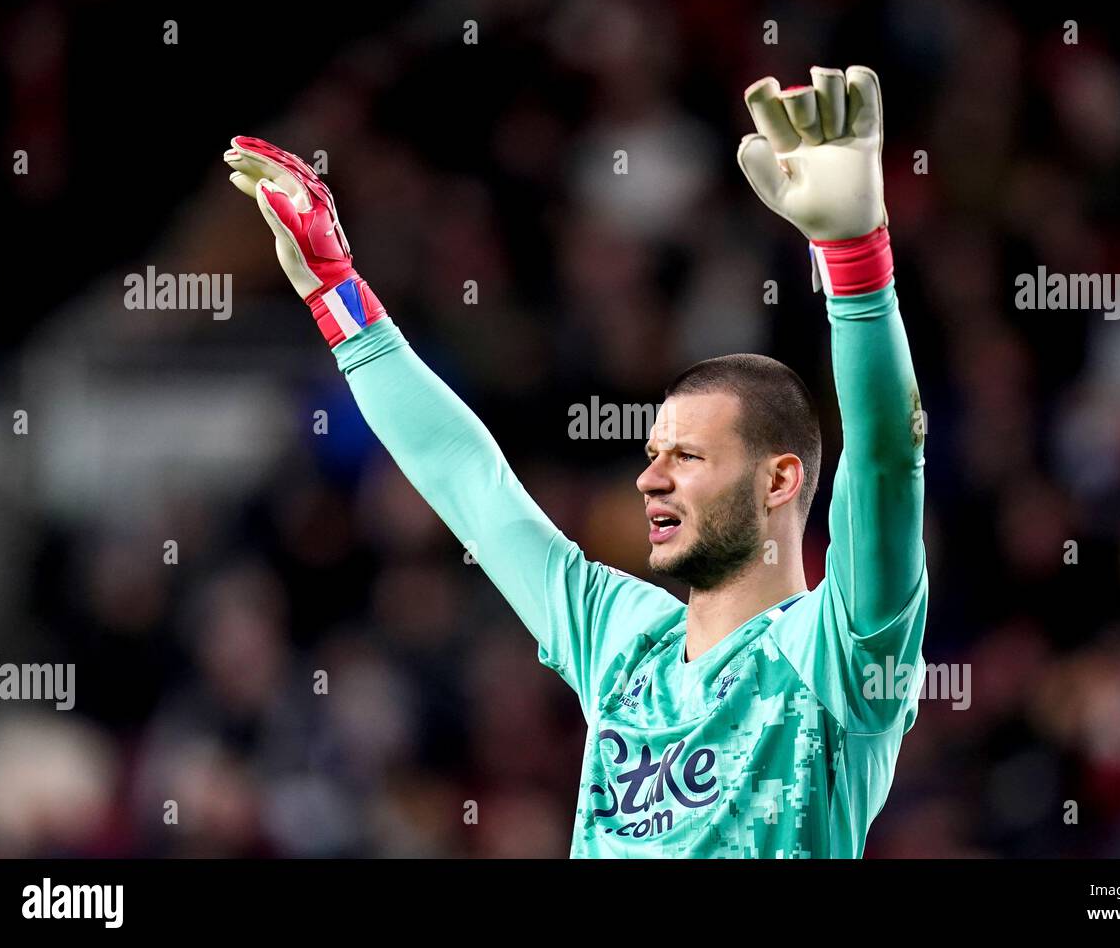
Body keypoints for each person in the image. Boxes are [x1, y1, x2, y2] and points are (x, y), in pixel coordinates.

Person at [223, 64, 927, 858]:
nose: (649, 478)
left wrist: (857, 263)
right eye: (652, 453)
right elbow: (470, 484)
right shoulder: (624, 643)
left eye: (687, 455)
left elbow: (886, 461)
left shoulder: (838, 653)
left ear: (779, 478)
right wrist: (335, 290)